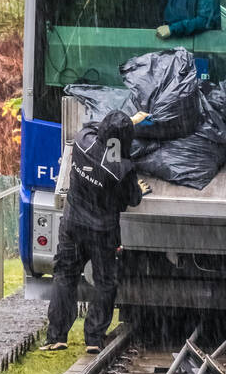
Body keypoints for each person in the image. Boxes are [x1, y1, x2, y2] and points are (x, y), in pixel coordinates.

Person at [41, 109, 149, 354]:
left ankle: (56, 336)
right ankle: (94, 338)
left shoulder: (82, 142)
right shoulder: (122, 169)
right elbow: (132, 199)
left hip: (72, 224)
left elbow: (93, 126)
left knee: (65, 276)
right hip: (102, 232)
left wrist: (124, 122)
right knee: (104, 282)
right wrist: (139, 188)